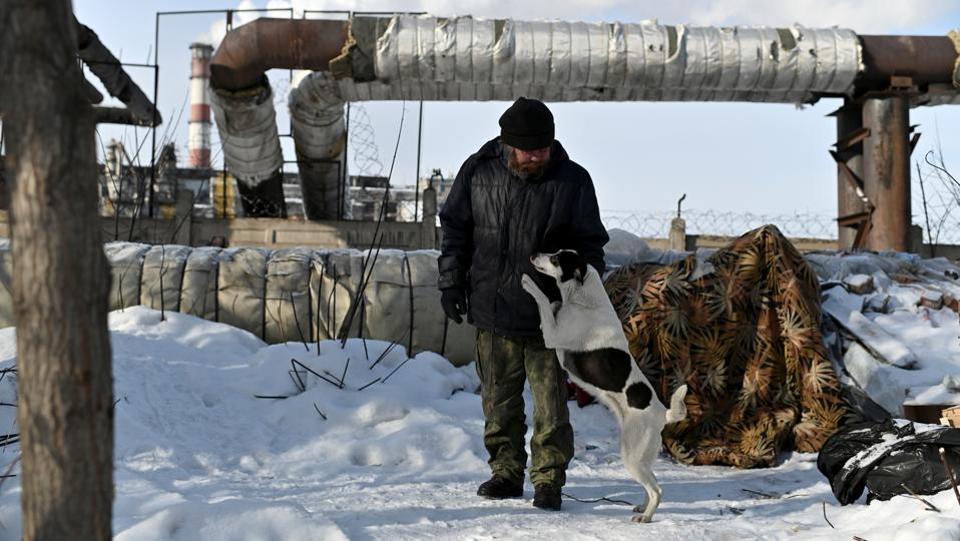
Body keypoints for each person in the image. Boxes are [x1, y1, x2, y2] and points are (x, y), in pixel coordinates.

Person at [437, 97, 609, 511]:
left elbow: (591, 247)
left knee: (551, 408)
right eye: (527, 150)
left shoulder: (573, 181)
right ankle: (506, 473)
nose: (535, 156)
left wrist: (580, 296)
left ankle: (548, 479)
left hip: (550, 316)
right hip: (492, 309)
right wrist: (451, 283)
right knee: (498, 403)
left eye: (542, 149)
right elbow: (456, 230)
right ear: (507, 144)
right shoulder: (478, 172)